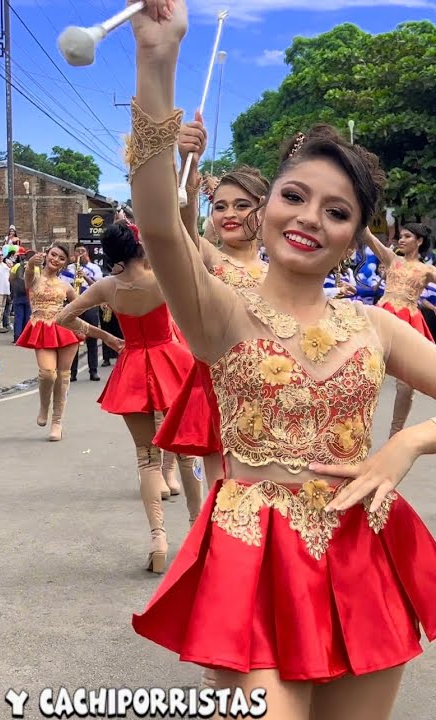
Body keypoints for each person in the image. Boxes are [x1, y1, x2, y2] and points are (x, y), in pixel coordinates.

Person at [125, 3, 436, 712]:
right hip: (252, 558)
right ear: (266, 204)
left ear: (357, 236)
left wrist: (406, 447)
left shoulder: (373, 326)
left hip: (362, 551)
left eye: (336, 212)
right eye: (294, 197)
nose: (309, 218)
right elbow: (156, 219)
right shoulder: (220, 309)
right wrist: (157, 61)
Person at [56, 222, 202, 569]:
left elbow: (64, 318)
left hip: (133, 364)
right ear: (139, 246)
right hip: (171, 361)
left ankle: (158, 540)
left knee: (146, 458)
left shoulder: (108, 286)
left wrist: (103, 337)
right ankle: (198, 533)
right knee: (185, 453)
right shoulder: (163, 278)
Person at [153, 116, 271, 492]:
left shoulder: (281, 269)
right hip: (219, 389)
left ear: (264, 210)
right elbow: (183, 229)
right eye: (220, 207)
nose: (230, 215)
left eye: (242, 205)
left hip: (275, 389)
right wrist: (188, 165)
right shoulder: (211, 258)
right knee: (225, 498)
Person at [363, 223, 436, 436]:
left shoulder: (427, 269)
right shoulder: (391, 259)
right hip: (384, 314)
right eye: (400, 236)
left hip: (409, 318)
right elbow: (368, 236)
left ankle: (395, 432)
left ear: (420, 241)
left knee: (406, 383)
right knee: (368, 370)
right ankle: (359, 423)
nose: (401, 240)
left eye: (407, 236)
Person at [17, 244, 79, 439]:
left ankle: (57, 422)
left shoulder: (66, 286)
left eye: (61, 258)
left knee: (63, 377)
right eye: (53, 254)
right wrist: (30, 264)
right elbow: (27, 279)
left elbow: (78, 306)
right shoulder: (34, 278)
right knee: (47, 373)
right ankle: (44, 407)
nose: (56, 259)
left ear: (64, 264)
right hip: (42, 328)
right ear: (46, 255)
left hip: (65, 331)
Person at [61, 243, 105, 381]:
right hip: (74, 306)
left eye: (83, 251)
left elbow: (98, 287)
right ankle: (72, 372)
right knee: (73, 339)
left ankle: (93, 371)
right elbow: (63, 287)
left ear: (87, 253)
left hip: (90, 305)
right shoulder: (68, 269)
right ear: (74, 254)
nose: (80, 254)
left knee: (92, 337)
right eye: (77, 251)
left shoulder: (94, 268)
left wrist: (84, 276)